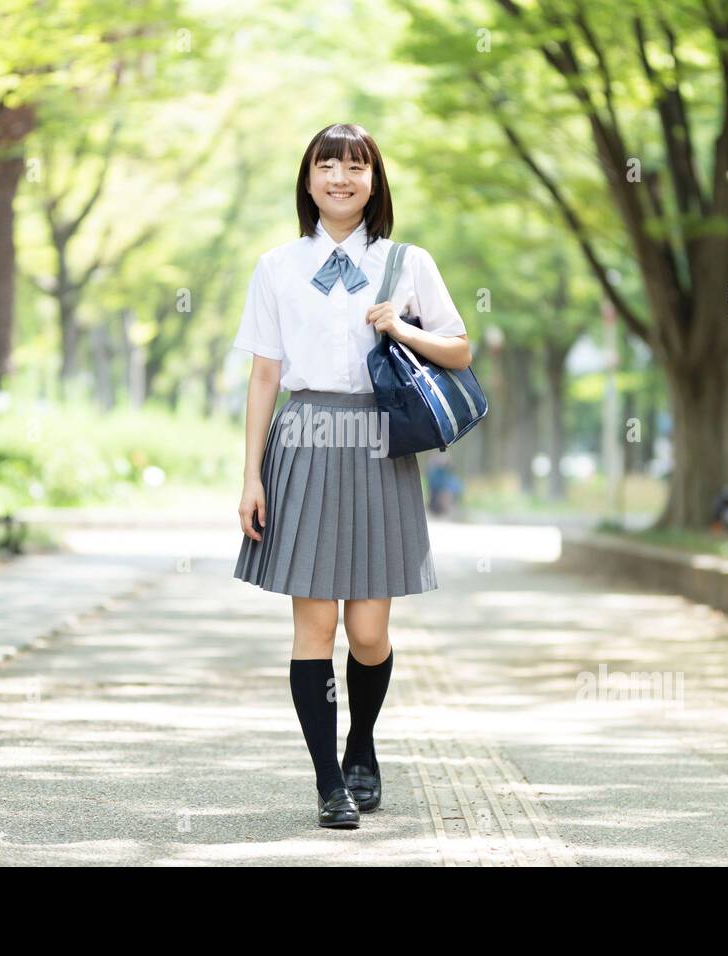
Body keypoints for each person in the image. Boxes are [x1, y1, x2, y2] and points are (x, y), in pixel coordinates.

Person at [232, 123, 471, 829]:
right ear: (307, 181)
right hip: (303, 444)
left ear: (374, 180)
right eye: (327, 164)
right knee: (314, 625)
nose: (341, 176)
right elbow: (265, 375)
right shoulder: (276, 267)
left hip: (378, 443)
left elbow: (458, 350)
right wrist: (251, 475)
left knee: (368, 631)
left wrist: (402, 328)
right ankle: (329, 782)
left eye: (356, 165)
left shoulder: (407, 263)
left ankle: (361, 742)